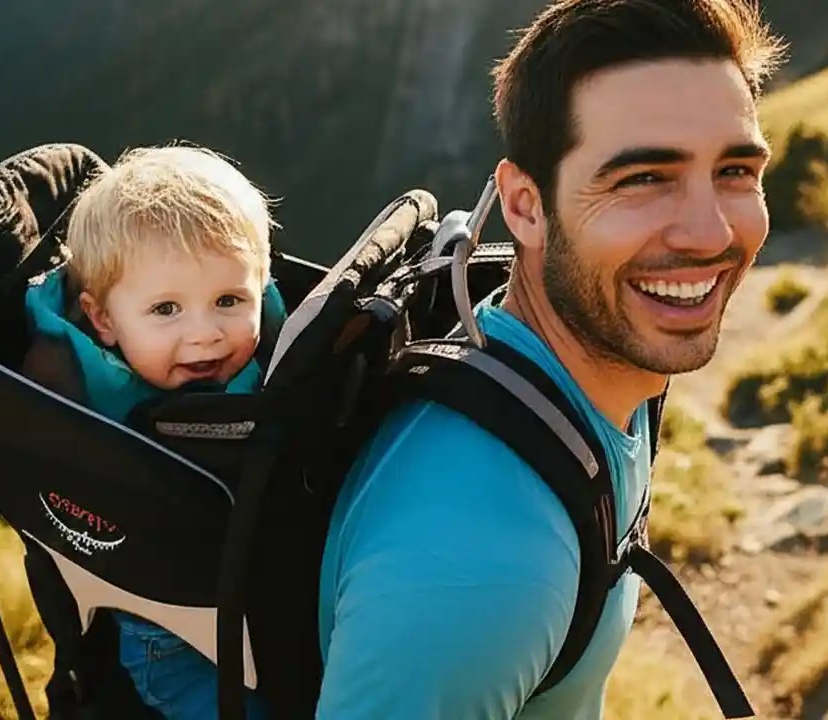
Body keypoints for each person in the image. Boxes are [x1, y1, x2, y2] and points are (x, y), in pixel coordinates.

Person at [313, 1, 787, 717]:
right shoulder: (480, 563)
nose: (710, 231)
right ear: (525, 208)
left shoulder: (576, 380)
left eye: (735, 171)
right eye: (643, 179)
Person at [18, 144, 281, 720]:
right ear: (105, 321)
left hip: (262, 599)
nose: (205, 334)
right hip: (171, 635)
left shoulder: (277, 341)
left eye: (229, 300)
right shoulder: (86, 396)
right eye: (166, 310)